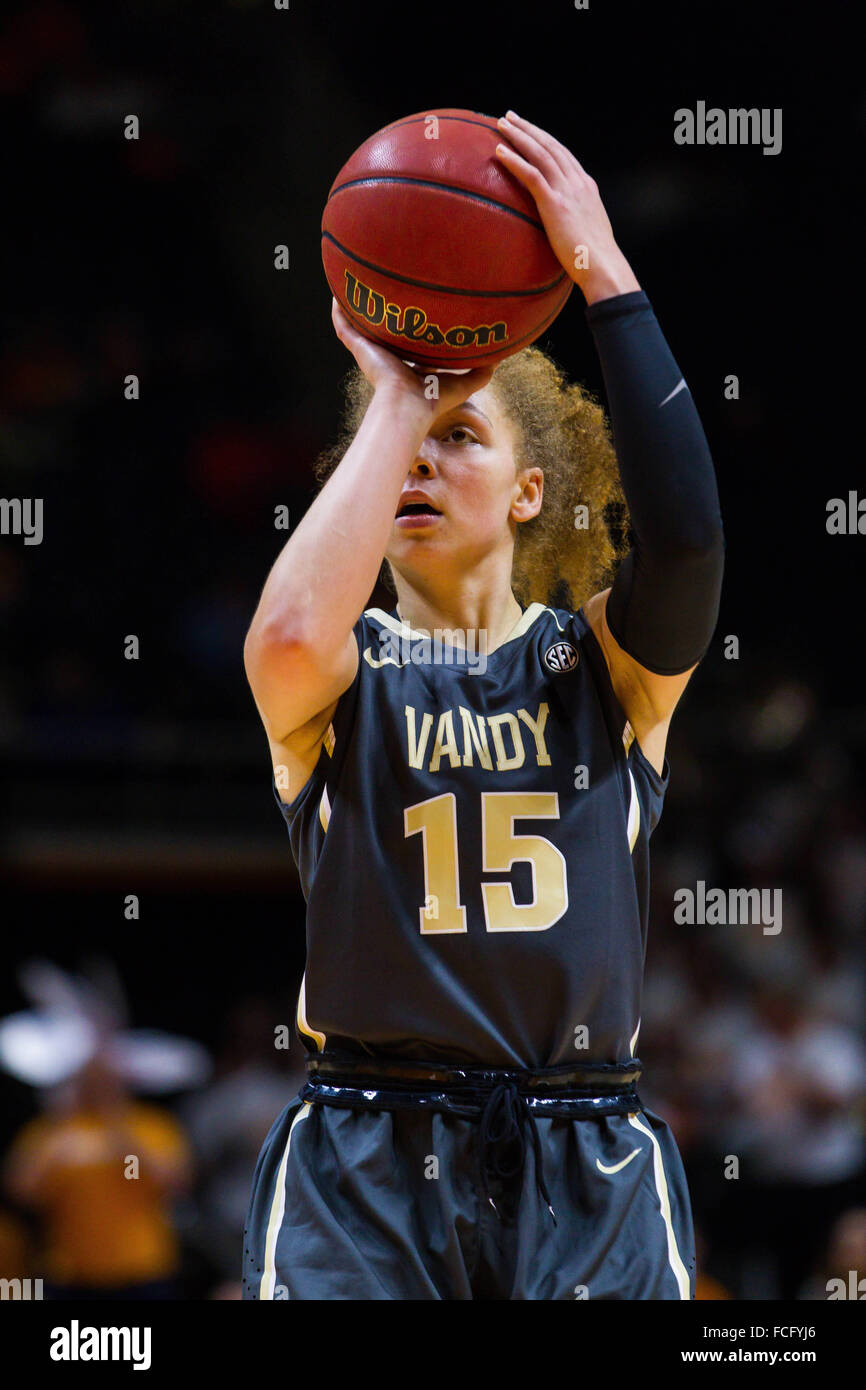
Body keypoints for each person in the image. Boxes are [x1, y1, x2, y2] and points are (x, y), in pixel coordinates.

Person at [241, 111, 724, 1300]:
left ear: (527, 493)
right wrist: (404, 392)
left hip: (582, 1146)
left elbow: (688, 544)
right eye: (396, 442)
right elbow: (293, 630)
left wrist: (603, 274)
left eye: (459, 435)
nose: (415, 460)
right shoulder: (335, 677)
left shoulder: (602, 669)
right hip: (364, 1148)